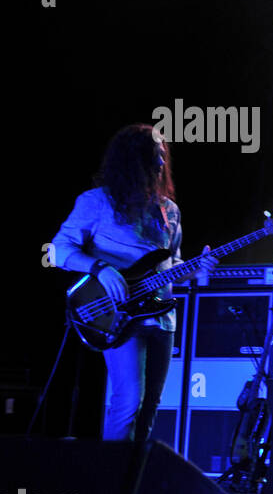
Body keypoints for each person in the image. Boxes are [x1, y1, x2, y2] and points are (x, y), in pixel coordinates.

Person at [53, 124, 217, 442]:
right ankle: (111, 479)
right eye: (153, 156)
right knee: (128, 402)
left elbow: (172, 265)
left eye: (162, 156)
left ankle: (135, 481)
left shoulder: (169, 210)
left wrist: (197, 269)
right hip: (116, 313)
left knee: (150, 407)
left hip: (162, 317)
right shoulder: (96, 202)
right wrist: (100, 268)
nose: (160, 164)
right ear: (132, 160)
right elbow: (59, 249)